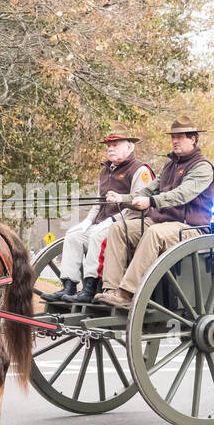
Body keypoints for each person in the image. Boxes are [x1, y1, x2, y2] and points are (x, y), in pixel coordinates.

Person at [93, 118, 214, 310]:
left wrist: (150, 202)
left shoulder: (202, 167)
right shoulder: (169, 166)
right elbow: (147, 190)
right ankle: (111, 290)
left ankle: (127, 293)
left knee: (154, 234)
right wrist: (123, 198)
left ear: (193, 139)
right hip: (161, 223)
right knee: (118, 228)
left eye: (180, 137)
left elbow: (181, 195)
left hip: (189, 228)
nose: (175, 141)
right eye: (173, 137)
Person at [41, 129, 154, 304]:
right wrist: (87, 221)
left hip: (129, 225)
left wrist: (112, 221)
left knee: (97, 236)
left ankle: (90, 288)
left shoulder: (140, 170)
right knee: (74, 236)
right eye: (109, 145)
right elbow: (98, 202)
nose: (110, 149)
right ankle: (69, 286)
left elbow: (138, 206)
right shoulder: (106, 171)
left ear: (129, 147)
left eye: (115, 145)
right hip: (103, 224)